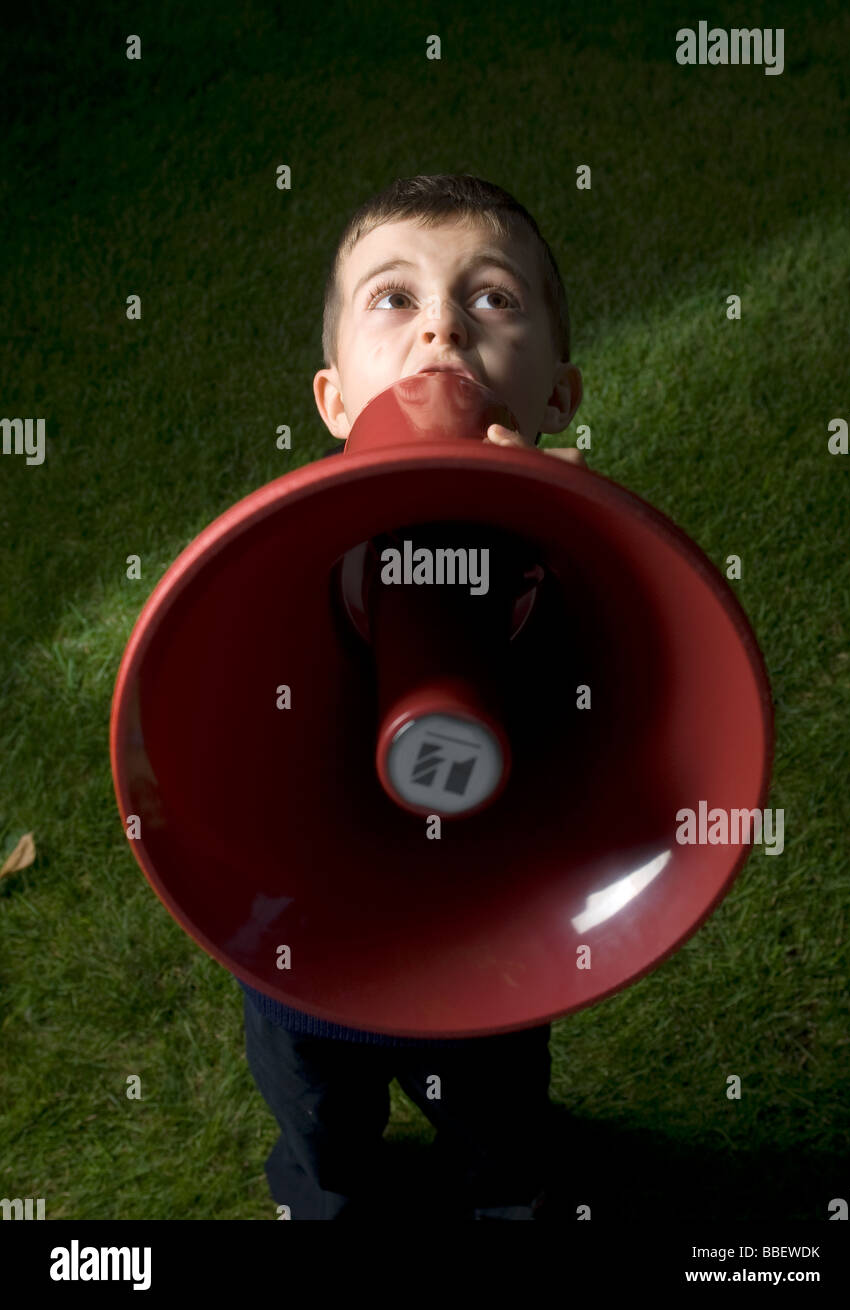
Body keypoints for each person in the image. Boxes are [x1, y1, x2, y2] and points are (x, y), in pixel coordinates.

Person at [239, 172, 585, 1220]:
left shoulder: (593, 569)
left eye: (491, 299)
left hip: (491, 959)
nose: (441, 326)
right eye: (394, 298)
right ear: (336, 398)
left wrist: (566, 527)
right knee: (323, 1136)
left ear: (559, 397)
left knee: (502, 1130)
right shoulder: (265, 579)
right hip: (304, 964)